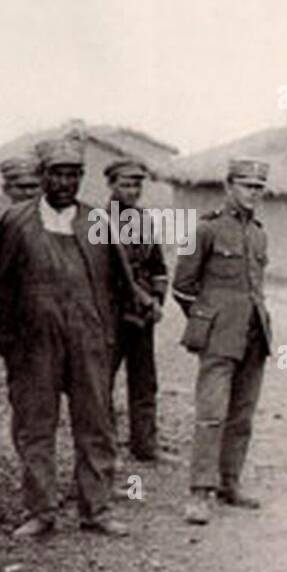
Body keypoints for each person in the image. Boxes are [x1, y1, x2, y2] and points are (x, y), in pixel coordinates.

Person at [0, 137, 132, 538]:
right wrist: (7, 338)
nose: (65, 183)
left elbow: (121, 283)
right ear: (43, 175)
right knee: (34, 425)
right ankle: (41, 510)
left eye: (73, 174)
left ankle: (96, 509)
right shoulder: (15, 223)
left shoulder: (97, 221)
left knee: (96, 423)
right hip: (34, 344)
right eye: (57, 174)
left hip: (88, 339)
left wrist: (106, 333)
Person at [172, 157, 273, 525]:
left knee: (242, 415)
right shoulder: (204, 229)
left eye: (259, 188)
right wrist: (208, 322)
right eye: (247, 186)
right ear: (229, 186)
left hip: (254, 335)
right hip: (219, 337)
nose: (254, 193)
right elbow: (182, 286)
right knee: (211, 414)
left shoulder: (259, 233)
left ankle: (230, 482)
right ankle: (200, 492)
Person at [105, 158, 166, 462]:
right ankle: (104, 447)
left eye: (137, 185)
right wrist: (139, 297)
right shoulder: (99, 222)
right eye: (126, 184)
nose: (132, 191)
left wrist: (157, 298)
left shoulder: (144, 220)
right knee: (103, 380)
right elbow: (105, 272)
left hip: (143, 314)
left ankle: (145, 445)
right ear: (111, 185)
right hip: (111, 312)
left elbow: (157, 265)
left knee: (144, 379)